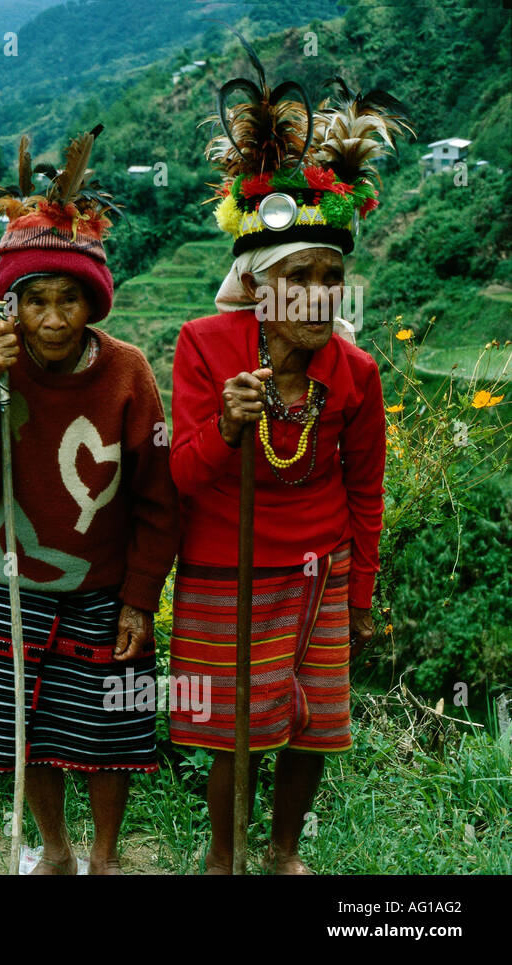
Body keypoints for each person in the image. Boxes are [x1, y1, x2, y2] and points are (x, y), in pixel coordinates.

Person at [168, 54, 404, 873]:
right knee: (237, 726)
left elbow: (366, 489)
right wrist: (228, 429)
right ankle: (223, 858)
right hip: (228, 568)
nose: (317, 293)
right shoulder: (205, 347)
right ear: (261, 286)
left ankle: (282, 851)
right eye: (297, 275)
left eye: (331, 277)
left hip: (321, 570)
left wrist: (361, 592)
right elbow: (183, 476)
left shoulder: (356, 373)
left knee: (314, 721)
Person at [0, 126, 178, 874]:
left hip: (104, 588)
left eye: (69, 299)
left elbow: (159, 498)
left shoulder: (129, 372)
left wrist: (141, 597)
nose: (53, 317)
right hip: (11, 584)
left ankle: (105, 855)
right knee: (26, 726)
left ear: (91, 301)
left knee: (108, 729)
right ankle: (58, 851)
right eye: (35, 300)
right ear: (12, 303)